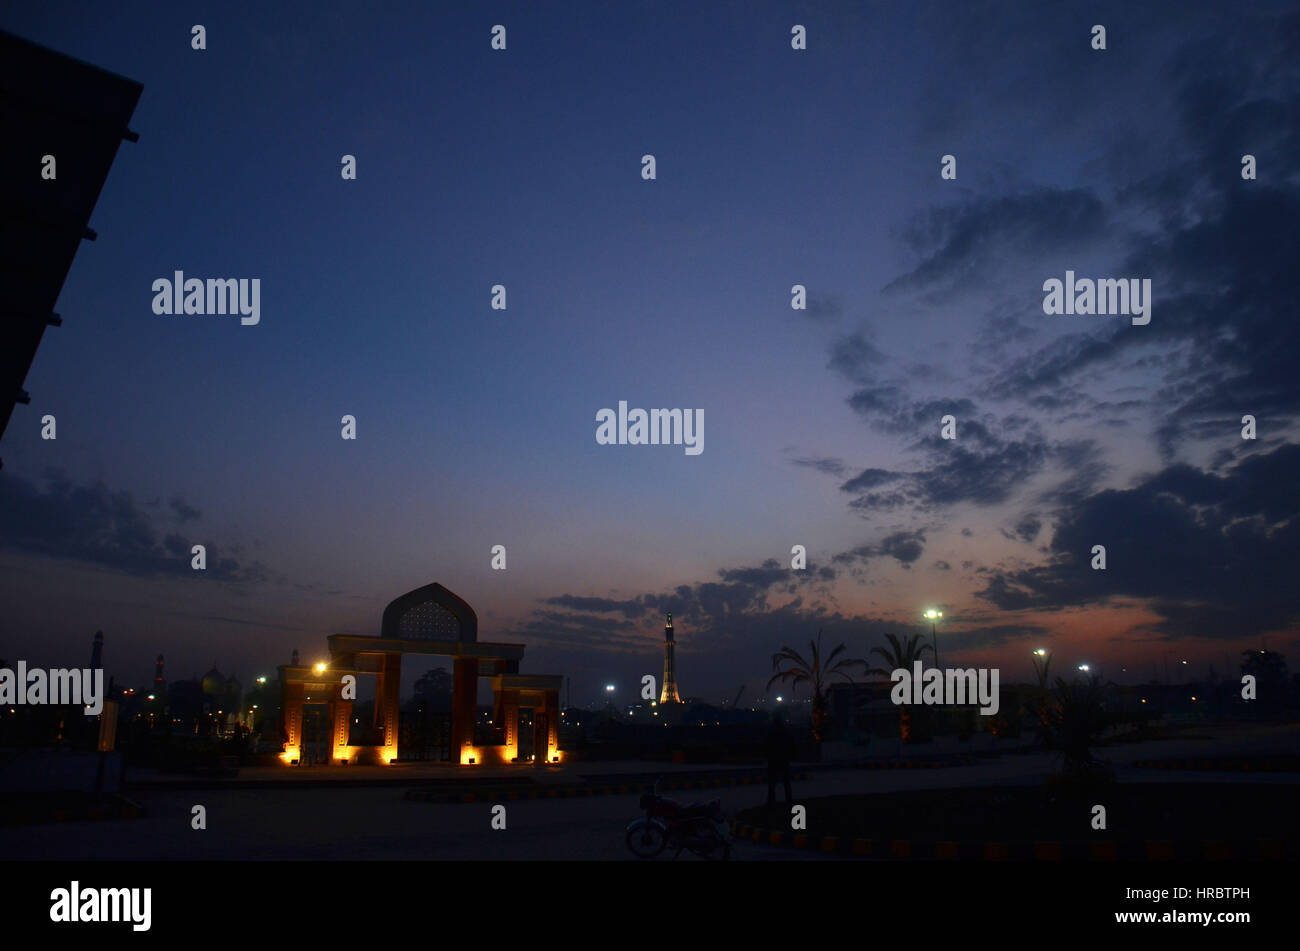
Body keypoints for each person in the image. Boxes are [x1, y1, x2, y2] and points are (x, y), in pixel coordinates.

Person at [765, 711, 795, 808]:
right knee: (786, 782)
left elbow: (767, 745)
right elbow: (791, 743)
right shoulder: (785, 731)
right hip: (783, 759)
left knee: (772, 783)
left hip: (773, 759)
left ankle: (771, 801)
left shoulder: (771, 731)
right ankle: (789, 799)